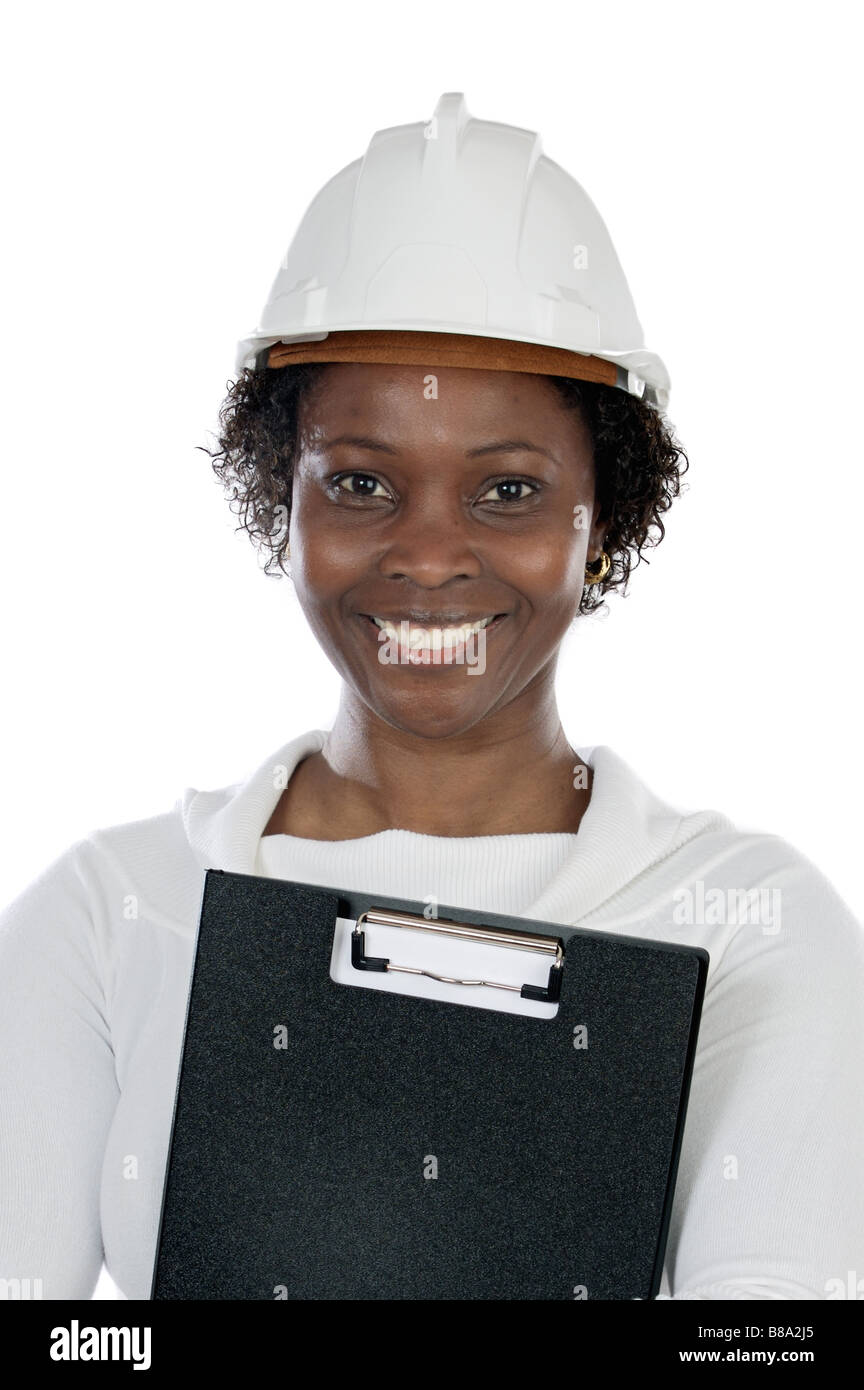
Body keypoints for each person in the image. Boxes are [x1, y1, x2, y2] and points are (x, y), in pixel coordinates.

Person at [1, 93, 862, 1303]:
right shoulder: (110, 916)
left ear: (600, 515)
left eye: (507, 491)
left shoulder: (753, 927)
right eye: (359, 480)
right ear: (280, 503)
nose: (428, 554)